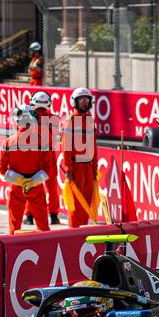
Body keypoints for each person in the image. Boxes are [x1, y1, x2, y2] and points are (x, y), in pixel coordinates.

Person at [0, 107, 53, 234]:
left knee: (14, 226)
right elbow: (48, 169)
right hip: (36, 185)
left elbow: (1, 170)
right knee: (43, 227)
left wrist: (21, 181)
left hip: (16, 186)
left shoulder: (7, 142)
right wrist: (32, 182)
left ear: (17, 121)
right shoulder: (42, 141)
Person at [62, 87, 100, 227]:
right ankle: (73, 232)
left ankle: (81, 230)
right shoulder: (71, 120)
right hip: (76, 168)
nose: (84, 102)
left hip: (89, 168)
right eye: (81, 99)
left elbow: (93, 146)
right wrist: (68, 169)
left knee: (87, 202)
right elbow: (66, 147)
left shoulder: (90, 120)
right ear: (75, 102)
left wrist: (95, 168)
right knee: (77, 204)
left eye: (86, 99)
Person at [28, 91, 61, 226]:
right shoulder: (53, 118)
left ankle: (29, 216)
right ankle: (53, 215)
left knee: (31, 185)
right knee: (52, 187)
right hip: (49, 156)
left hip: (33, 156)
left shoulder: (28, 117)